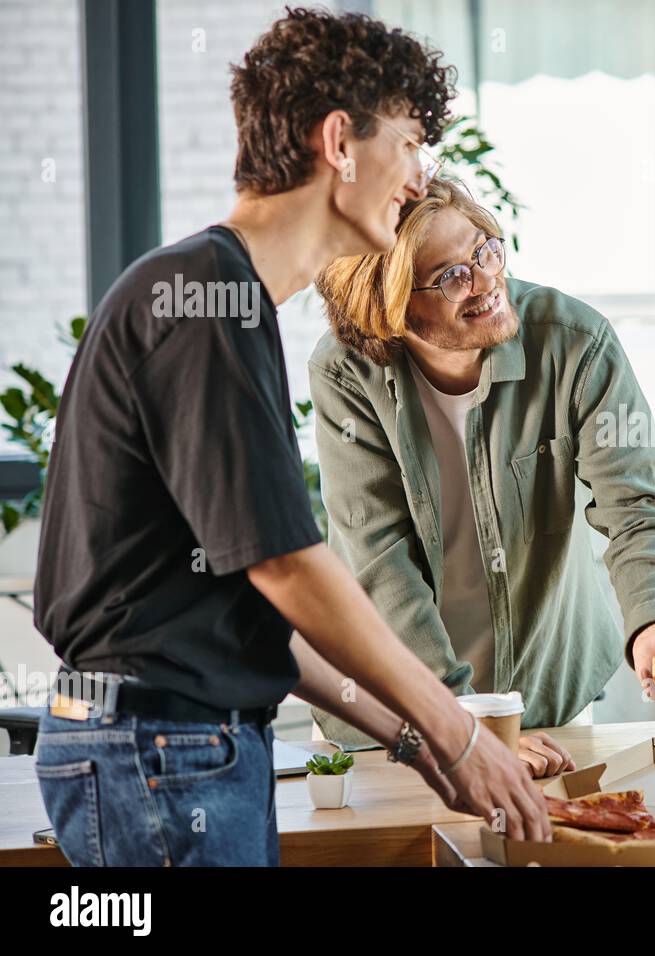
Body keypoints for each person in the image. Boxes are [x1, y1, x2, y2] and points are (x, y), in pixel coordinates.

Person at [32, 8, 549, 867]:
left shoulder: (223, 298)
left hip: (171, 751)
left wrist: (418, 740)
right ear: (340, 142)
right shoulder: (204, 298)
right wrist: (457, 732)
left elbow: (250, 600)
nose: (419, 177)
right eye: (412, 141)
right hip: (162, 753)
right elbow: (289, 567)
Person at [308, 181, 655, 771]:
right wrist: (457, 720)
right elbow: (382, 561)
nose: (486, 281)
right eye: (452, 276)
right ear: (389, 306)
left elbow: (637, 504)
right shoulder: (345, 374)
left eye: (485, 250)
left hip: (543, 700)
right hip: (396, 709)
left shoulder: (576, 343)